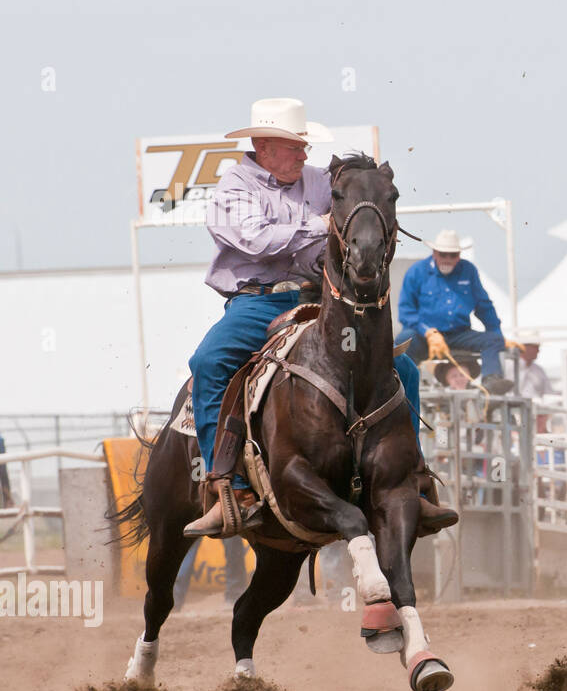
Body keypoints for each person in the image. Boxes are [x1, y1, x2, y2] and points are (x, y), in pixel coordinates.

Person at [184, 97, 454, 538]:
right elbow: (254, 241)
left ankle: (414, 480)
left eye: (304, 146)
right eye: (294, 146)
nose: (304, 155)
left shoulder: (320, 183)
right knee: (209, 363)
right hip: (256, 302)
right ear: (262, 145)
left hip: (319, 299)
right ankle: (227, 486)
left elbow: (353, 215)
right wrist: (321, 223)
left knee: (401, 366)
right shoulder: (234, 186)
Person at [397, 229, 514, 395]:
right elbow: (406, 311)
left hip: (459, 334)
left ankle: (491, 381)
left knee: (493, 339)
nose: (448, 259)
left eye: (453, 255)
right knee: (403, 341)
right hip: (425, 336)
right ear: (435, 252)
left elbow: (484, 306)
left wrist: (497, 334)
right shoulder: (417, 272)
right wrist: (428, 331)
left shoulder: (468, 271)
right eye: (444, 254)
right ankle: (401, 384)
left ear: (459, 255)